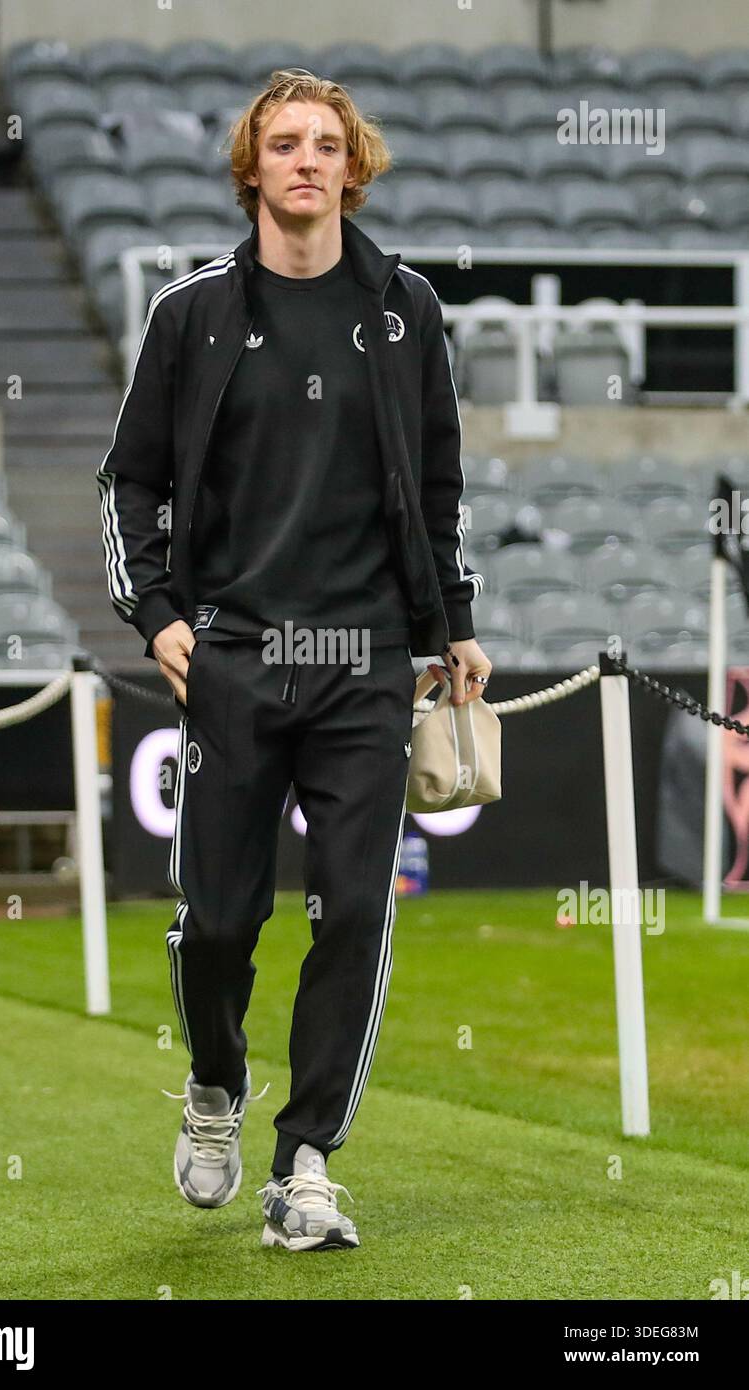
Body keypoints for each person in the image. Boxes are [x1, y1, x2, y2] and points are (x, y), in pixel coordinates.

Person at [97, 68, 490, 1252]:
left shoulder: (402, 308)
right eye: (284, 143)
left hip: (366, 662)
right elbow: (130, 480)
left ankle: (306, 1160)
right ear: (252, 167)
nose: (307, 160)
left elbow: (437, 486)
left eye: (326, 143)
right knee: (216, 922)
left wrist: (453, 621)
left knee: (355, 911)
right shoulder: (195, 312)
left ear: (351, 165)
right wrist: (155, 610)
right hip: (233, 659)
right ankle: (215, 1085)